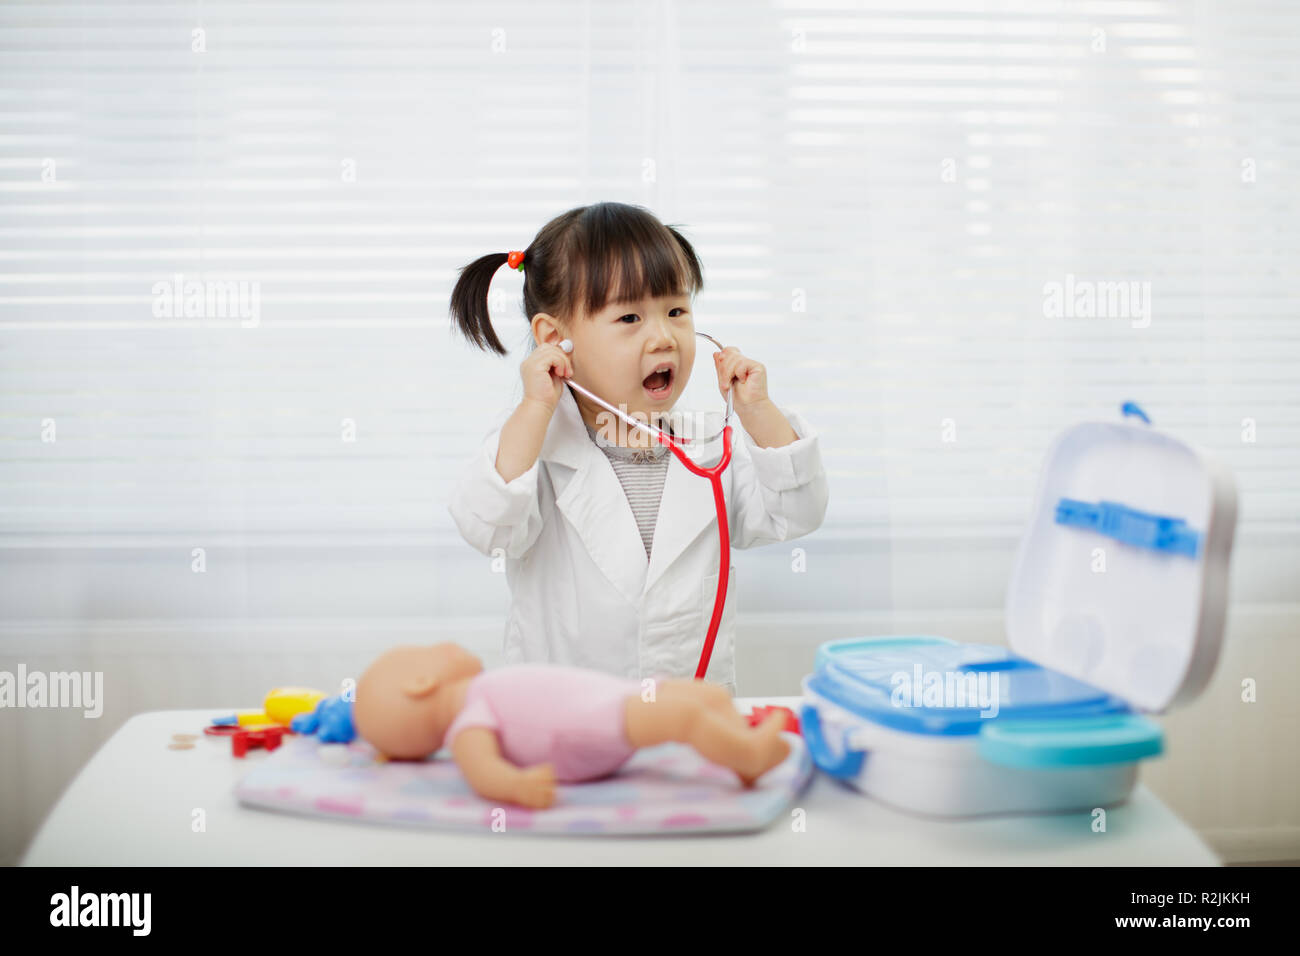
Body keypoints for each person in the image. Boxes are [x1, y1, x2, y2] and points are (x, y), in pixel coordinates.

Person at [447, 201, 828, 695]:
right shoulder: (534, 453)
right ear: (555, 339)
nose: (664, 337)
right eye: (630, 317)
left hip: (689, 723)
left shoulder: (711, 447)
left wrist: (757, 411)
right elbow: (487, 525)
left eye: (676, 311)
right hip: (568, 725)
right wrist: (534, 408)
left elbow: (797, 511)